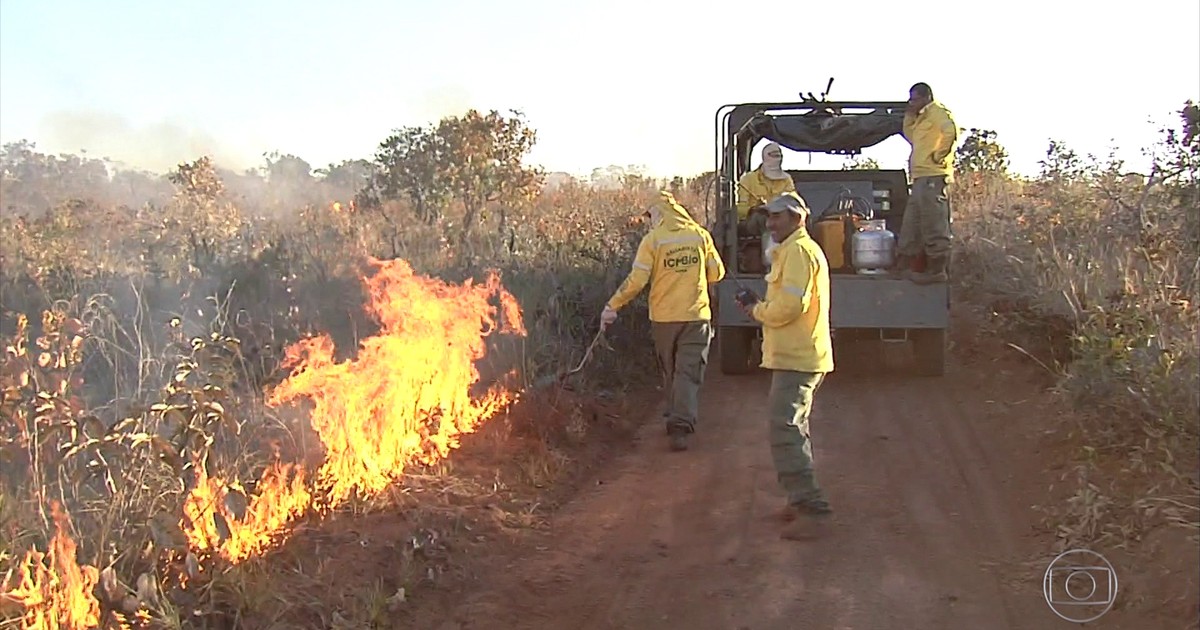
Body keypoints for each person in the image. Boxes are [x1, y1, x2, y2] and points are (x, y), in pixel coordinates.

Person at [733, 192, 835, 528]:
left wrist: (757, 310)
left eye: (776, 217)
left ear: (796, 219)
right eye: (769, 217)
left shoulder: (798, 252)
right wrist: (760, 307)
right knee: (793, 428)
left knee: (785, 429)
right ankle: (799, 498)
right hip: (796, 355)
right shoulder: (791, 251)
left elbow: (791, 307)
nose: (770, 223)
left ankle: (811, 508)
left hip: (798, 357)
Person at [601, 191, 726, 451]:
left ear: (657, 213)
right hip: (696, 316)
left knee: (671, 369)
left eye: (651, 214)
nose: (649, 220)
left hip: (664, 318)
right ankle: (680, 419)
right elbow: (717, 273)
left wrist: (612, 305)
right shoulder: (699, 235)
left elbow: (637, 280)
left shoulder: (653, 240)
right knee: (688, 371)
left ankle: (678, 419)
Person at [897, 82, 959, 284]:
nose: (911, 102)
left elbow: (951, 132)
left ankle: (937, 270)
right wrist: (909, 116)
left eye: (914, 99)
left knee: (934, 222)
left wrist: (940, 155)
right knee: (912, 223)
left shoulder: (939, 113)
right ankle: (906, 265)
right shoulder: (922, 118)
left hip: (933, 177)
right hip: (919, 178)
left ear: (926, 97)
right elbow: (912, 137)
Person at [736, 142, 797, 238]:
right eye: (773, 155)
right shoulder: (748, 179)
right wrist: (754, 208)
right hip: (753, 221)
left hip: (780, 217)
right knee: (767, 220)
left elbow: (794, 203)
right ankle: (769, 251)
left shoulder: (786, 180)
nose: (776, 159)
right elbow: (739, 210)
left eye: (778, 156)